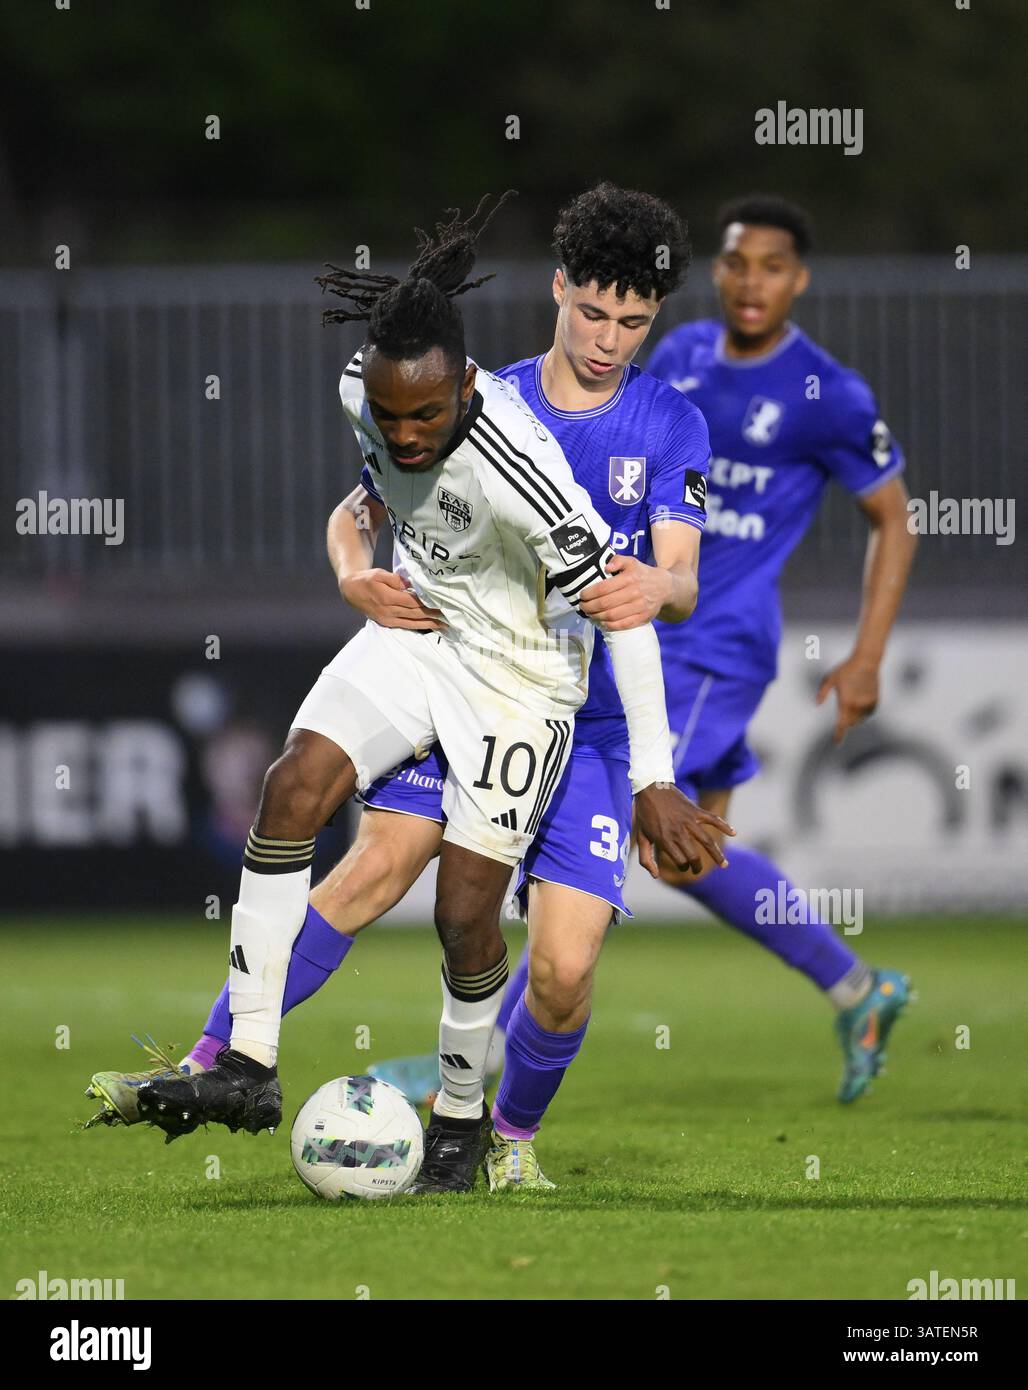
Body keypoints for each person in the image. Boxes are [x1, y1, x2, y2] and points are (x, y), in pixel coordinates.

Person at [88, 194, 723, 1196]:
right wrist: (350, 571)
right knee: (361, 861)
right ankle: (222, 1061)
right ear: (558, 289)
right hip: (442, 655)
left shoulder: (653, 424)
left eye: (631, 321)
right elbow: (361, 506)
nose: (606, 339)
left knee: (555, 968)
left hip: (572, 707)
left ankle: (493, 1128)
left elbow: (670, 582)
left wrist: (661, 615)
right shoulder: (431, 385)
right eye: (592, 312)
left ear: (652, 320)